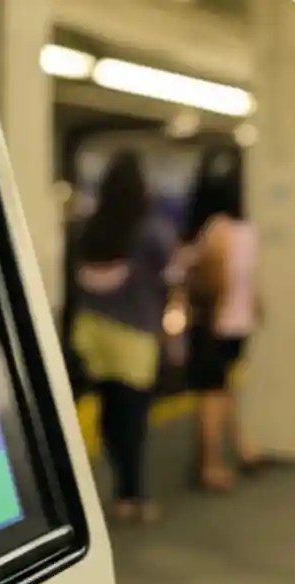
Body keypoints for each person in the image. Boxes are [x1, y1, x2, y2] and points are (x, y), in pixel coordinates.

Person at [70, 151, 173, 523]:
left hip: (93, 332)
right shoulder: (150, 230)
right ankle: (132, 496)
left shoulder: (90, 226)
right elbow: (167, 277)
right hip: (134, 337)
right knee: (134, 419)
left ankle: (112, 489)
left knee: (108, 413)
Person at [181, 145, 260, 491]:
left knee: (211, 393)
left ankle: (209, 463)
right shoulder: (246, 231)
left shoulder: (215, 230)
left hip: (215, 322)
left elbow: (216, 276)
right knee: (226, 388)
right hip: (240, 322)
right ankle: (242, 447)